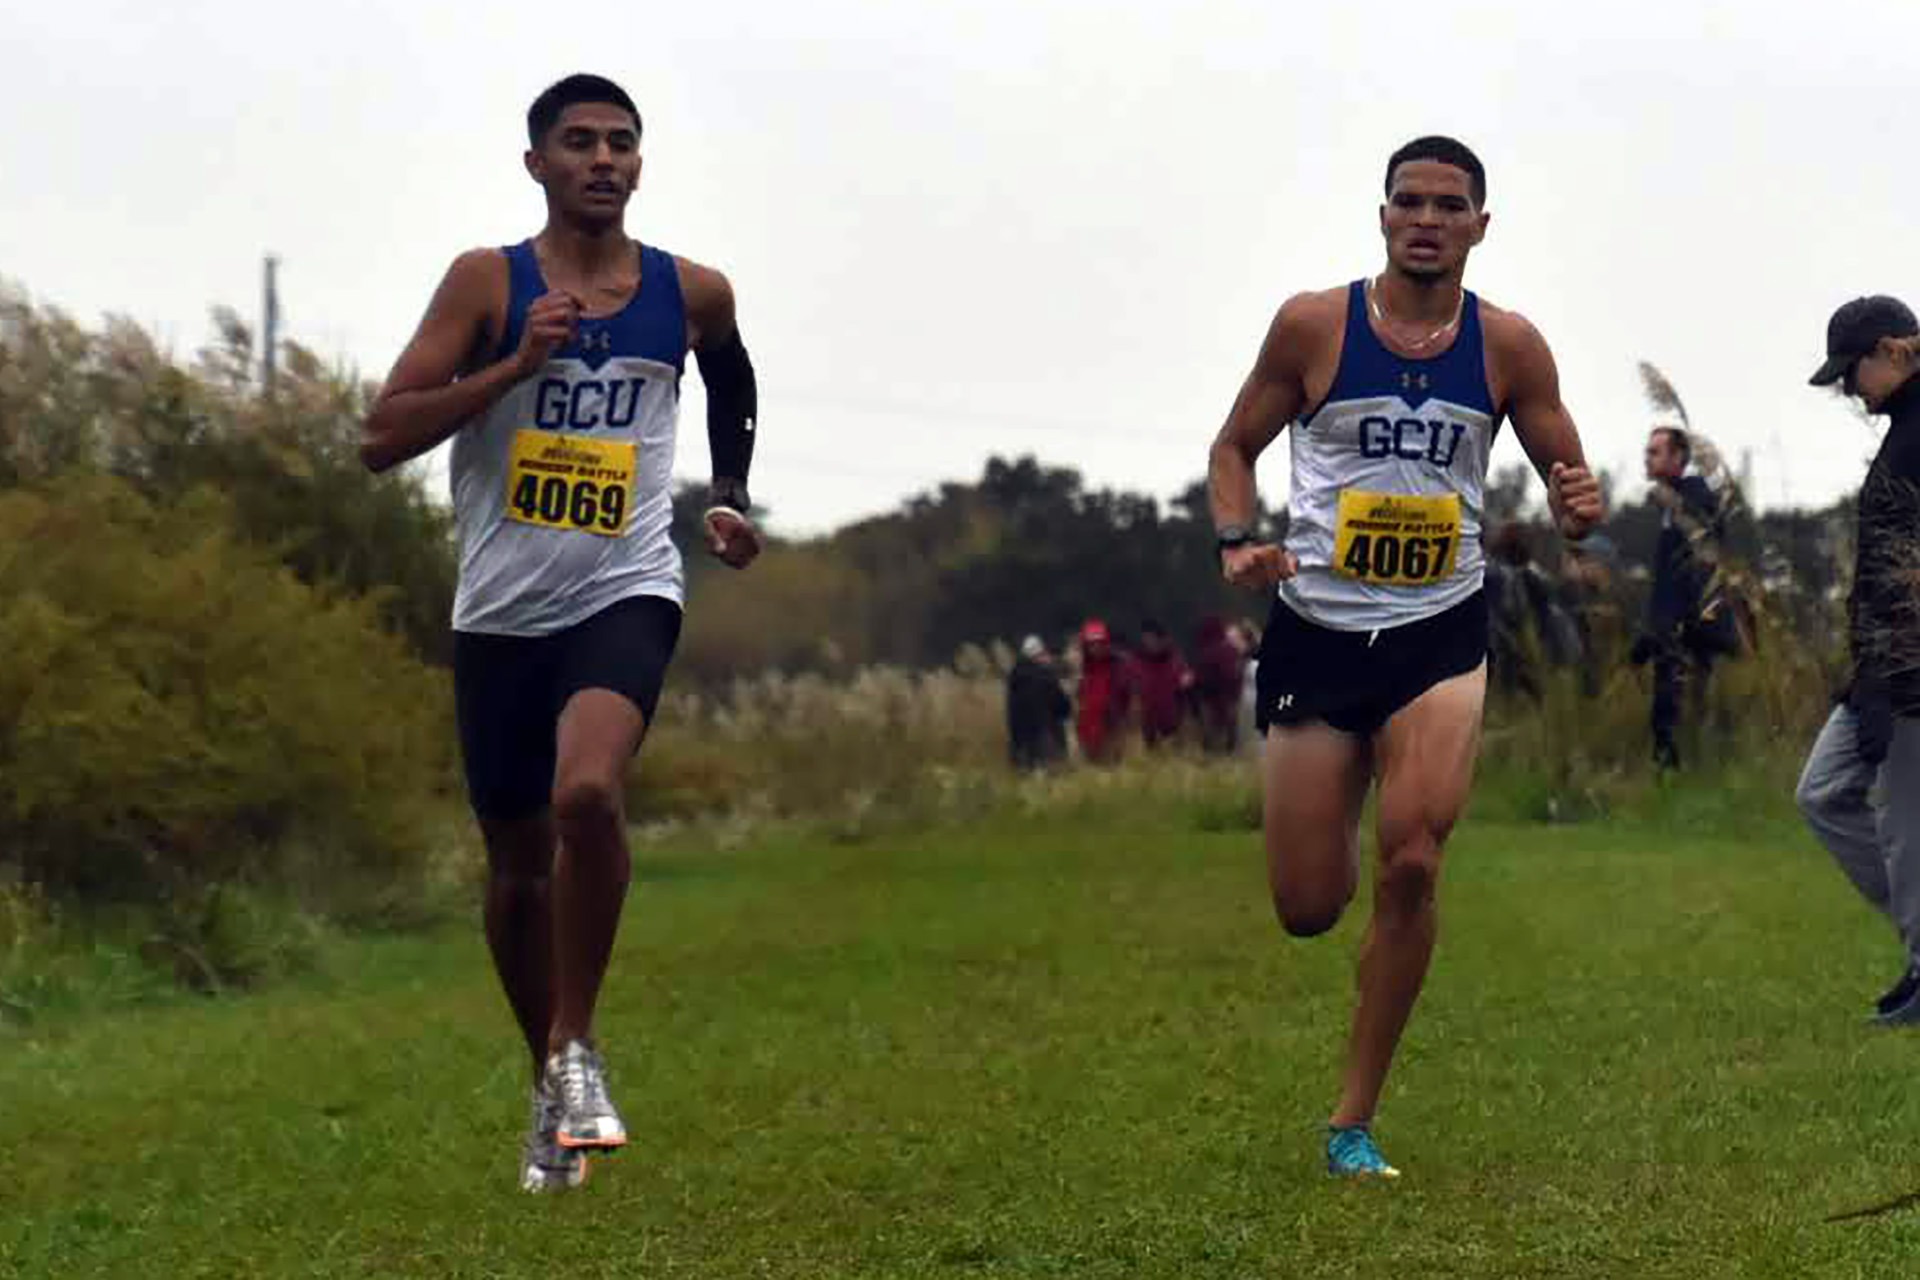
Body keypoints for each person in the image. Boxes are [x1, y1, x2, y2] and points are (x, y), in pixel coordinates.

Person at [359, 74, 764, 1192]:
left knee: (589, 794)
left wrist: (727, 490)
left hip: (626, 585)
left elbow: (730, 374)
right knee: (516, 867)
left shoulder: (691, 292)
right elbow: (381, 436)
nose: (603, 159)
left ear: (641, 164)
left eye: (621, 143)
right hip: (500, 608)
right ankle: (546, 1075)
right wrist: (513, 367)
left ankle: (578, 1046)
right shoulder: (489, 283)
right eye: (579, 142)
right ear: (536, 162)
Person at [1206, 136, 1603, 1178]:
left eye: (1449, 204)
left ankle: (1352, 1117)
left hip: (1440, 625)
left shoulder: (1509, 346)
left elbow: (1571, 485)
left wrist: (1580, 505)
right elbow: (1232, 447)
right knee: (1307, 905)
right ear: (1382, 216)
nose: (1427, 218)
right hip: (1318, 629)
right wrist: (1236, 537)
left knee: (1416, 855)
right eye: (1408, 202)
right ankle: (1338, 855)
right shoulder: (1313, 325)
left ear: (1481, 224)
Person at [1796, 297, 1920, 1025]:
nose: (1849, 389)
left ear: (1887, 352)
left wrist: (1892, 679)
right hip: (1881, 670)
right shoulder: (1904, 429)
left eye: (1852, 372)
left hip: (1910, 675)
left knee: (1905, 828)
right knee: (1823, 793)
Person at [1630, 426, 1730, 768]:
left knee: (1681, 707)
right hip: (1669, 628)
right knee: (1666, 708)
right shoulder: (1668, 504)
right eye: (1648, 451)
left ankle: (1686, 774)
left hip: (1690, 629)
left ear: (1678, 457)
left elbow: (1706, 553)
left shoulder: (1694, 494)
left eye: (1655, 451)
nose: (1647, 457)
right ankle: (1669, 775)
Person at [1006, 634, 1071, 771]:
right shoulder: (1045, 677)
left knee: (1025, 782)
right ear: (1039, 655)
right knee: (1051, 782)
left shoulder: (1014, 677)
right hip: (1046, 738)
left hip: (1019, 741)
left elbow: (1011, 714)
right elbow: (1064, 707)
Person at [1125, 618, 1192, 748]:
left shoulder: (1175, 661)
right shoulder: (1135, 662)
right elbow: (1129, 687)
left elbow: (1186, 685)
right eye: (1146, 638)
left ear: (1162, 639)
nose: (1149, 642)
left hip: (1172, 727)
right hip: (1145, 728)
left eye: (1153, 638)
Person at [1074, 619, 1130, 764]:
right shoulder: (1082, 670)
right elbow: (1079, 701)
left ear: (1106, 643)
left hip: (1112, 731)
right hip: (1087, 735)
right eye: (1091, 644)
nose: (1095, 648)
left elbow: (1127, 697)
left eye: (1099, 643)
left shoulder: (1118, 665)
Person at [1191, 616, 1247, 754]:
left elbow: (1200, 678)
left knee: (1212, 742)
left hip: (1209, 700)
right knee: (1229, 741)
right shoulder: (1231, 651)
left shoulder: (1206, 652)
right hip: (1230, 701)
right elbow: (1235, 675)